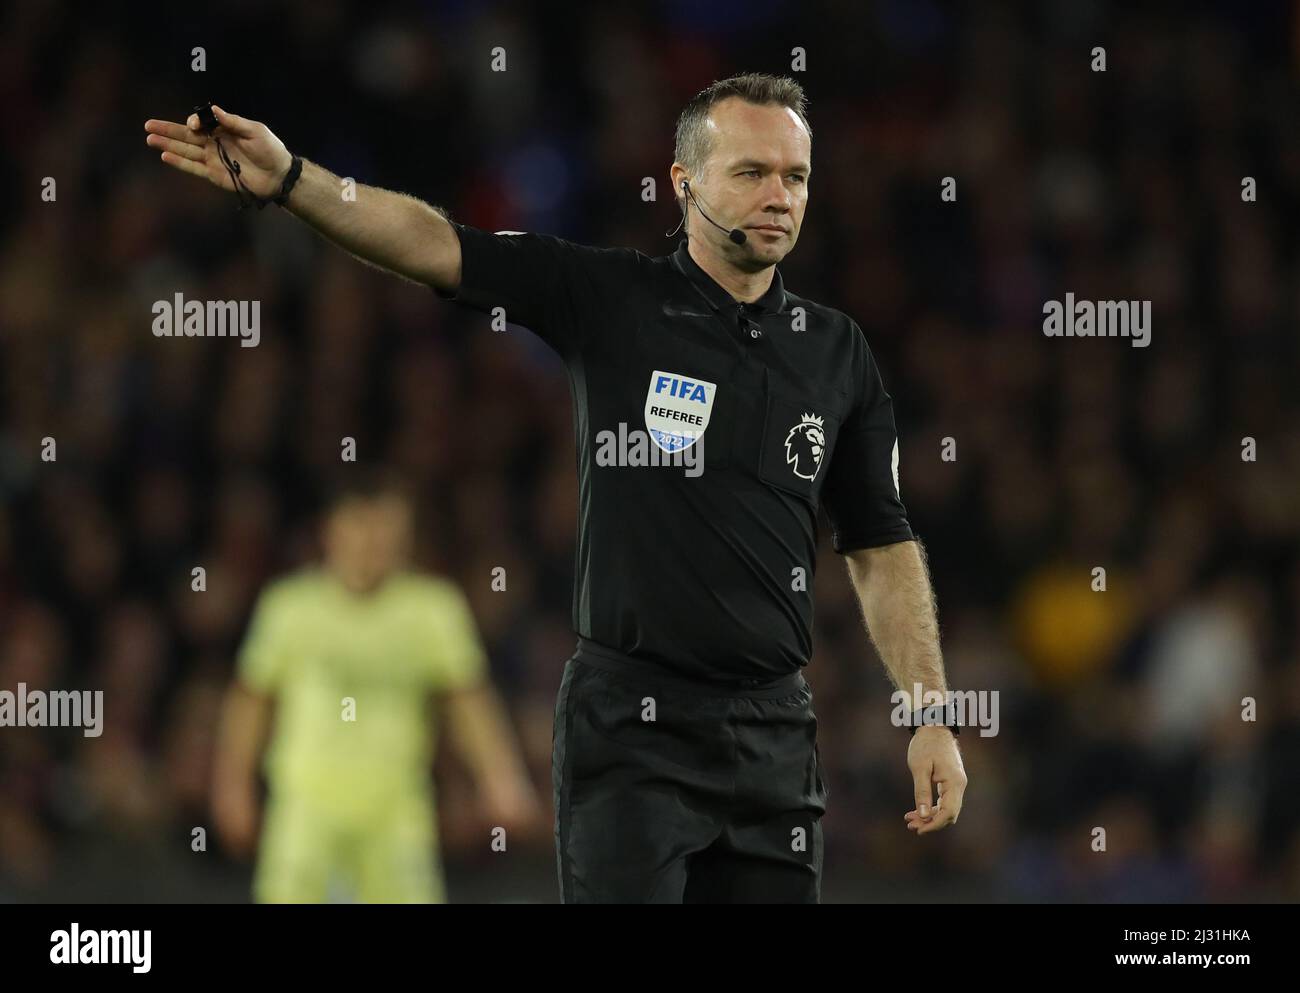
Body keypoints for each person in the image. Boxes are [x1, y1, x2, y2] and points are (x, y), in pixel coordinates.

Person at [149, 71, 966, 904]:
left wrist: (930, 712)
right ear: (684, 184)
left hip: (776, 738)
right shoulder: (610, 298)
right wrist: (294, 181)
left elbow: (881, 543)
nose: (779, 195)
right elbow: (436, 242)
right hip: (631, 730)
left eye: (795, 177)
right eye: (752, 172)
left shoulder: (837, 353)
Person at [211, 474, 541, 902]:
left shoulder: (433, 609)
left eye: (386, 532)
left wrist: (501, 777)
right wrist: (231, 785)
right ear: (330, 531)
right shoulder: (289, 607)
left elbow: (467, 699)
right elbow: (251, 699)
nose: (371, 545)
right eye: (359, 529)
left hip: (397, 810)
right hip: (305, 807)